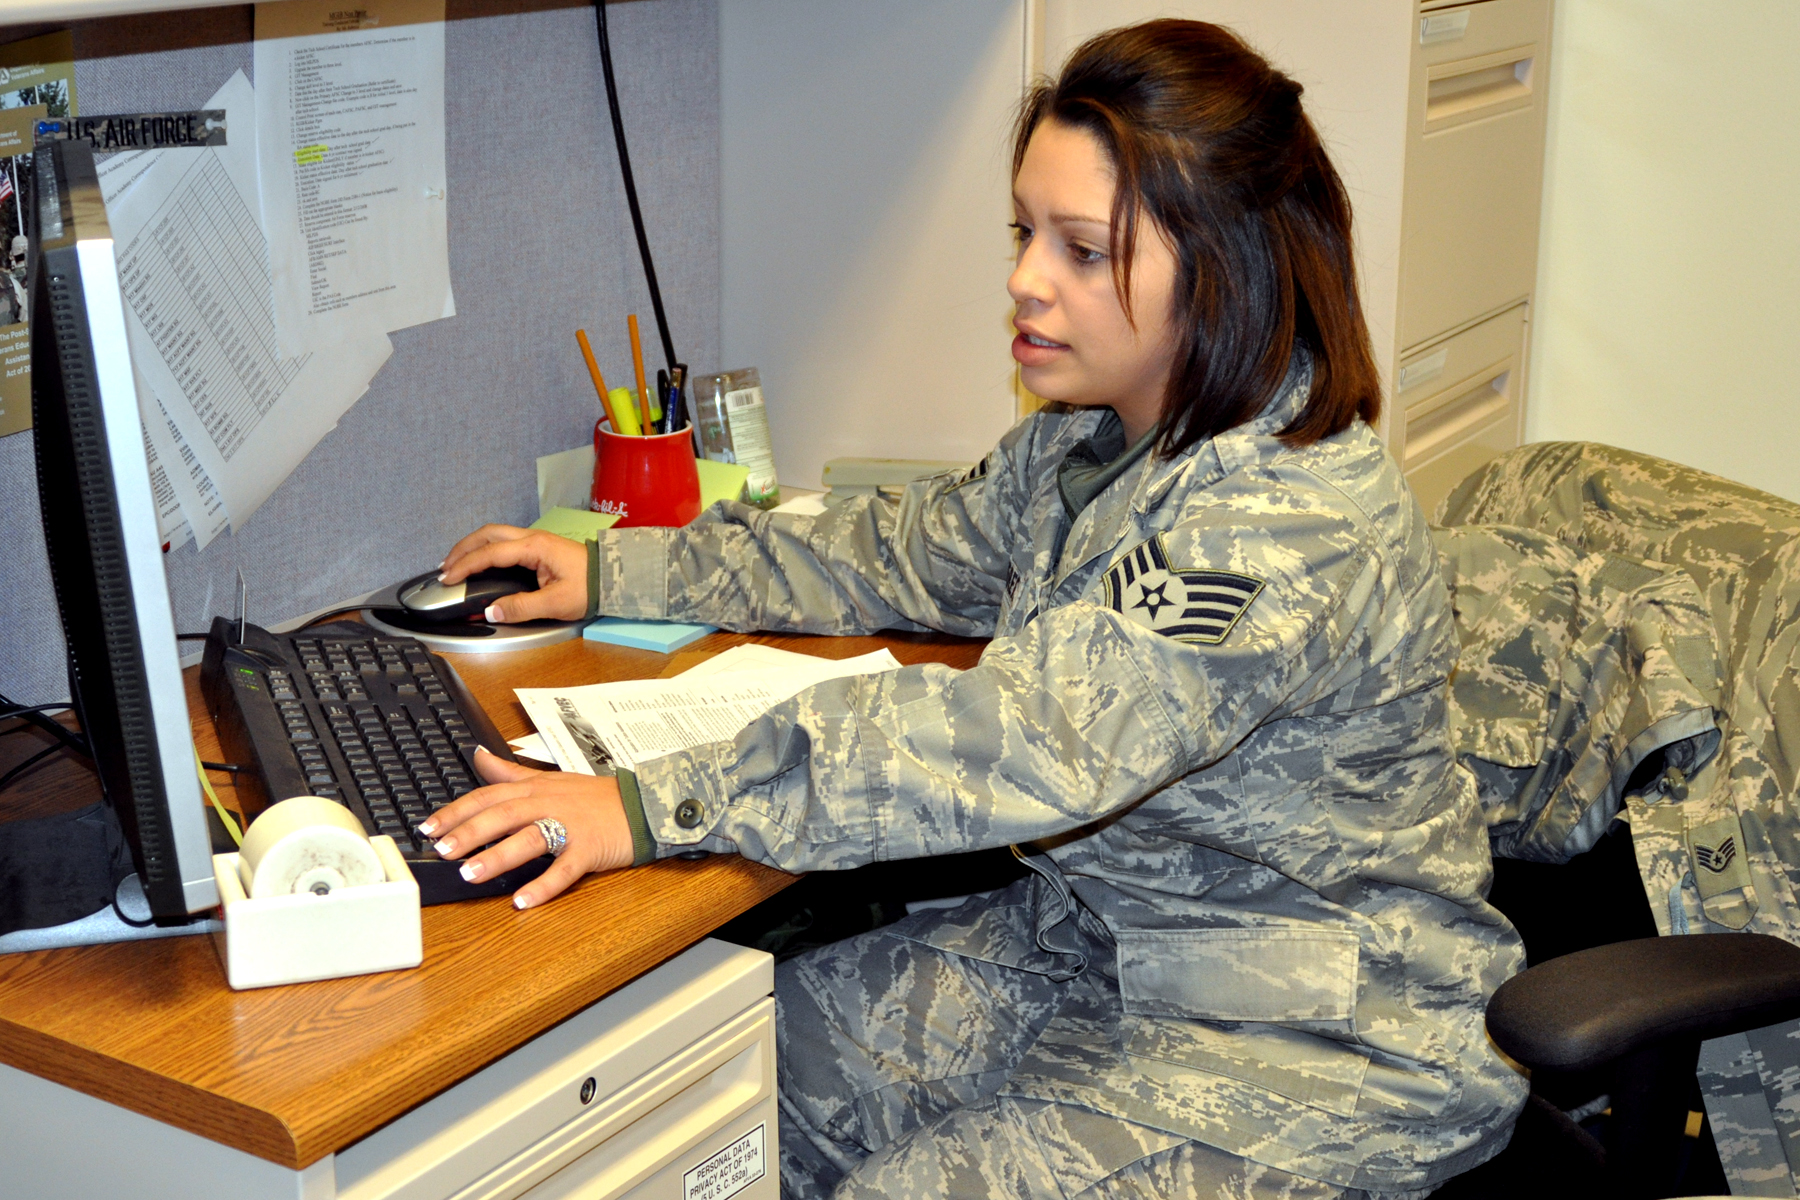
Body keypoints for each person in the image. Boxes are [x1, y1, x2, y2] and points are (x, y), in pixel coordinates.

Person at [425, 20, 1527, 1198]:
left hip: (1306, 1035)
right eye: (1024, 233)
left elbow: (1019, 738)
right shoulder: (1094, 444)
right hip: (1093, 943)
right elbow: (899, 553)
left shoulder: (1283, 522)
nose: (1025, 280)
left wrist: (653, 805)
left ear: (1227, 266)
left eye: (1083, 251)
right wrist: (624, 573)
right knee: (727, 1081)